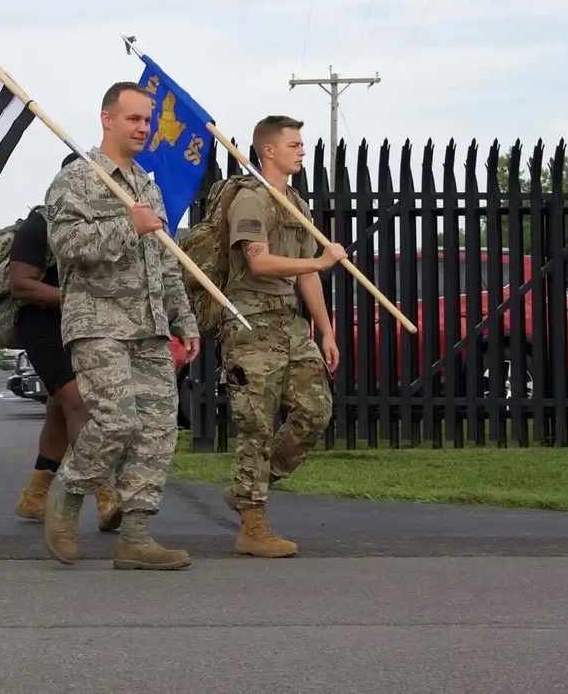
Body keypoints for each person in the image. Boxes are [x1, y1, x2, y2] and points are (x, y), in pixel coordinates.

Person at [42, 82, 200, 571]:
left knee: (156, 429)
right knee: (116, 420)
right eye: (133, 119)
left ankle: (135, 536)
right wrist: (126, 226)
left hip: (150, 325)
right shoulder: (78, 180)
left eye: (147, 121)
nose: (142, 128)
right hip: (98, 321)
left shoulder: (148, 187)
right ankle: (67, 494)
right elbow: (67, 245)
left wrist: (184, 318)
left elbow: (166, 260)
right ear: (107, 118)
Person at [219, 115, 345, 557]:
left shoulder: (296, 203)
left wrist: (326, 331)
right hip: (252, 324)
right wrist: (320, 263)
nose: (301, 151)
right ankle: (252, 526)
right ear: (267, 151)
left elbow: (307, 274)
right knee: (256, 423)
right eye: (293, 144)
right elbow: (259, 262)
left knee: (316, 412)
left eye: (301, 144)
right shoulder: (252, 200)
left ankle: (248, 487)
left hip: (291, 324)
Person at [10, 152, 121, 531]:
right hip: (42, 324)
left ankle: (34, 494)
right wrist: (76, 298)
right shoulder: (39, 225)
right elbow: (20, 285)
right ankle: (104, 492)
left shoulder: (103, 225)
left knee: (60, 406)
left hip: (84, 324)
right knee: (78, 401)